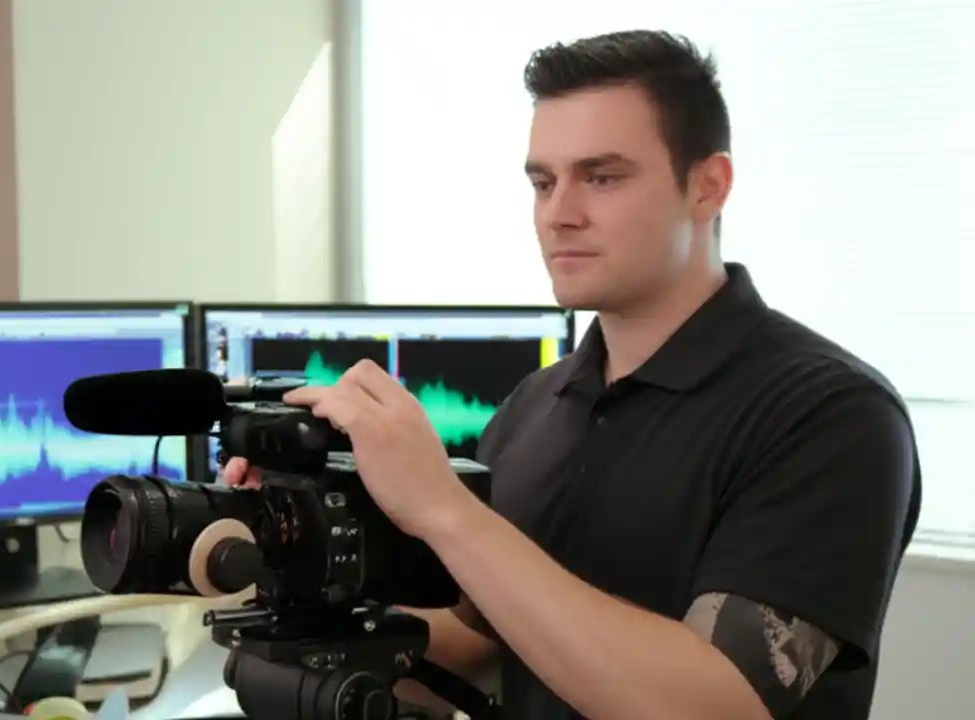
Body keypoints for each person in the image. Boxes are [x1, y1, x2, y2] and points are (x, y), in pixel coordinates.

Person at [223, 29, 921, 719]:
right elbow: (479, 636)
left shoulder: (831, 415)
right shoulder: (537, 403)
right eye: (542, 182)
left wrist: (444, 508)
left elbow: (713, 705)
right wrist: (291, 570)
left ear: (709, 186)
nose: (559, 213)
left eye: (602, 177)